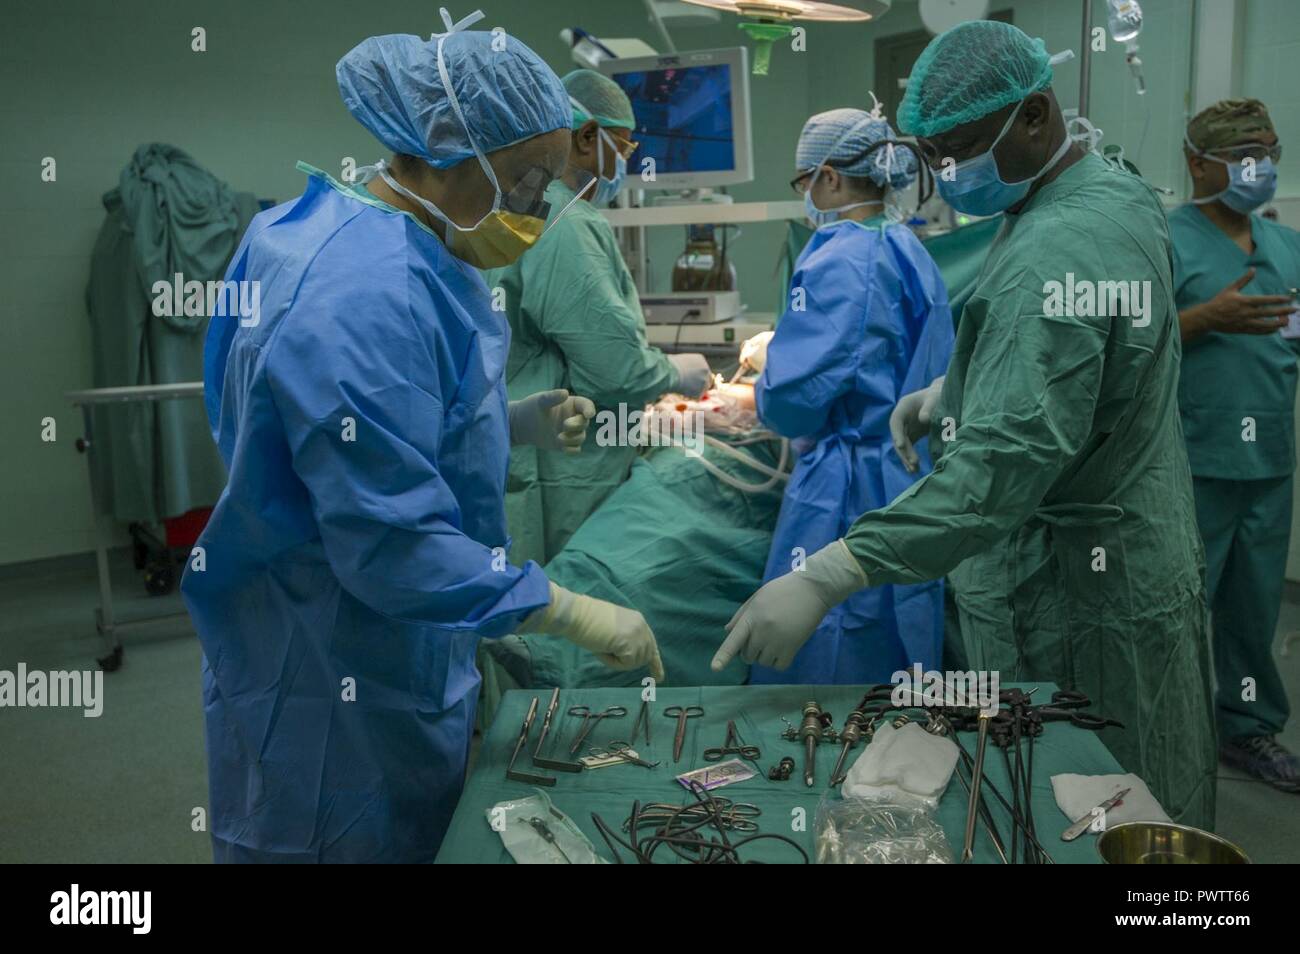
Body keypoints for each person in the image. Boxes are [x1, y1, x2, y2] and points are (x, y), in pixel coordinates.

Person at [182, 15, 663, 864]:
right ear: (454, 154)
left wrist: (505, 425)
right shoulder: (365, 293)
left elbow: (321, 436)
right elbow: (392, 547)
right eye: (526, 182)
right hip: (334, 657)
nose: (534, 207)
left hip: (346, 626)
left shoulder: (323, 232)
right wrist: (567, 610)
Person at [713, 20, 1217, 829]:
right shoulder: (1107, 190)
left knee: (1095, 813)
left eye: (967, 148)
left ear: (1038, 114)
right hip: (1130, 544)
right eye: (934, 155)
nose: (949, 178)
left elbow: (997, 471)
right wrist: (961, 386)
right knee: (1122, 790)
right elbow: (1093, 359)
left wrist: (828, 573)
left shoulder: (1059, 246)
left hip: (1079, 589)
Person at [739, 105, 953, 684]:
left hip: (848, 491)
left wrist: (767, 369)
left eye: (804, 181)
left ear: (829, 177)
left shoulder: (842, 257)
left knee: (830, 656)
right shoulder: (908, 246)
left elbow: (792, 402)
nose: (805, 195)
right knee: (895, 651)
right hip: (907, 477)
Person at [485, 69, 710, 566]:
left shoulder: (516, 210)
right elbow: (613, 368)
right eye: (625, 150)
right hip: (564, 471)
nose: (626, 164)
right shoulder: (567, 225)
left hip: (518, 450)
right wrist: (676, 373)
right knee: (566, 620)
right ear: (588, 136)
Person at [1172, 98, 1300, 792]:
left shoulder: (1287, 247)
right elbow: (1132, 342)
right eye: (1245, 158)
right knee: (1176, 609)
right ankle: (1166, 731)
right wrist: (1205, 318)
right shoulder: (1165, 242)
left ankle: (1247, 727)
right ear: (1198, 163)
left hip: (1269, 460)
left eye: (1270, 154)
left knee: (1254, 607)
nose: (1262, 170)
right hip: (1193, 459)